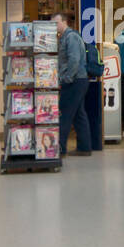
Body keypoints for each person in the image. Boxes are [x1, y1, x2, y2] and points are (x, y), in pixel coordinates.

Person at [54, 11, 92, 157]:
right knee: (78, 114)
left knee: (64, 114)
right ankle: (84, 147)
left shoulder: (71, 37)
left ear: (64, 22)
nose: (55, 26)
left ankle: (60, 149)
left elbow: (74, 59)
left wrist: (67, 78)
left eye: (56, 23)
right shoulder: (64, 37)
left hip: (75, 81)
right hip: (78, 81)